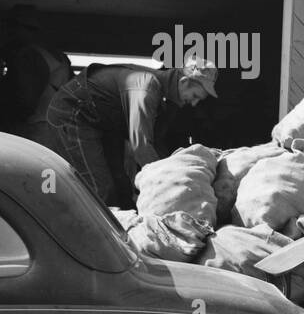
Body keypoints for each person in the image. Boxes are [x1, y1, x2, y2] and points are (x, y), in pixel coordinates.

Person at [46, 56, 219, 207]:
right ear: (183, 82)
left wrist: (174, 168)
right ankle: (97, 240)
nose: (194, 104)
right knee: (101, 187)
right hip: (74, 113)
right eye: (195, 96)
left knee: (122, 184)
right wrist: (169, 184)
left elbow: (155, 142)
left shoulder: (168, 100)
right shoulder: (146, 88)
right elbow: (141, 147)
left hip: (102, 121)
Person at [0, 4, 72, 148]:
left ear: (21, 28)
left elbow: (25, 102)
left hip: (34, 133)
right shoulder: (61, 58)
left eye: (11, 28)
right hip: (59, 132)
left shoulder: (28, 56)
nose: (8, 34)